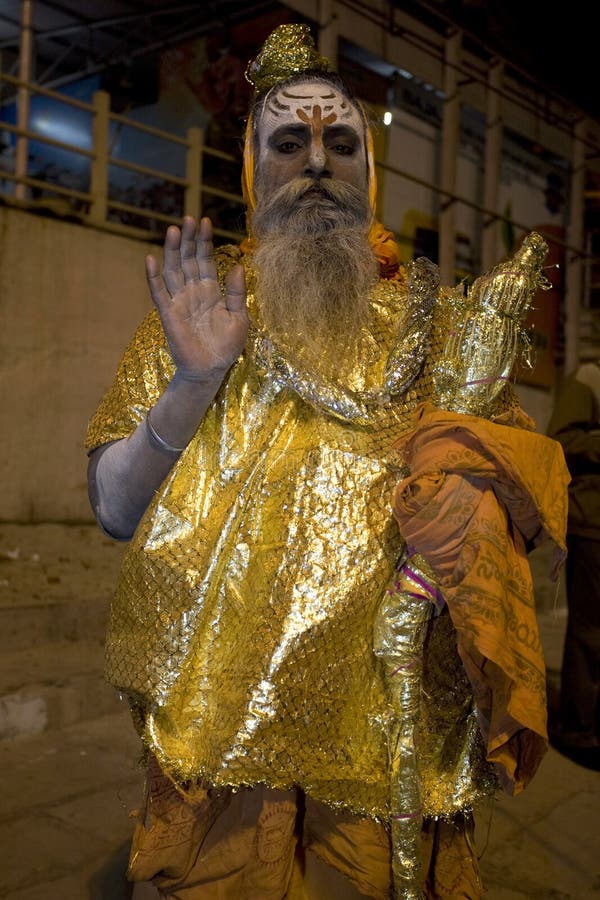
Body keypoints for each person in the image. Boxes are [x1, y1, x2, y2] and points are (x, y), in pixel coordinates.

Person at [85, 23, 570, 900]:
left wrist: (466, 512)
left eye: (340, 142)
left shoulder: (439, 322)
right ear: (252, 168)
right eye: (289, 142)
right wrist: (193, 382)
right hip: (222, 721)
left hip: (388, 725)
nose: (317, 161)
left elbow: (518, 483)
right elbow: (114, 510)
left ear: (368, 170)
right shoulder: (201, 306)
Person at [547, 360, 600, 770]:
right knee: (590, 630)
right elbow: (559, 440)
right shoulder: (589, 377)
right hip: (592, 522)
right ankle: (577, 729)